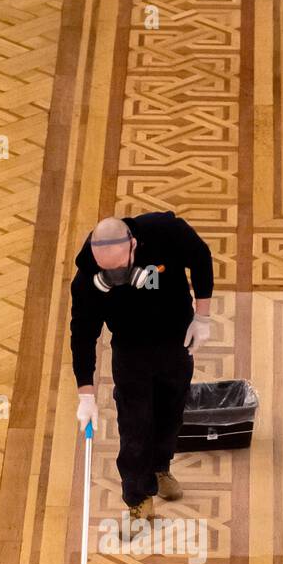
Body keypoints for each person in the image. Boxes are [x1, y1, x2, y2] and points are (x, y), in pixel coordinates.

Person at [70, 211, 214, 519]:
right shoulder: (86, 280)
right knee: (135, 427)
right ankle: (137, 497)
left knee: (172, 414)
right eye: (105, 269)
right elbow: (83, 334)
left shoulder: (166, 231)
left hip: (177, 341)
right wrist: (86, 393)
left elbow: (201, 257)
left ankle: (160, 469)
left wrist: (202, 317)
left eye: (120, 266)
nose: (115, 276)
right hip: (130, 351)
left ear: (134, 245)